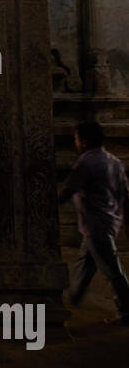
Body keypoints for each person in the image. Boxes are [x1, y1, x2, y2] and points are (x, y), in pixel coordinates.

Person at [58, 121, 129, 325]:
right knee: (86, 261)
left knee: (112, 270)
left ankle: (127, 310)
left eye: (76, 139)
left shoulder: (86, 162)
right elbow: (125, 193)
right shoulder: (114, 161)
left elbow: (66, 192)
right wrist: (126, 221)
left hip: (95, 225)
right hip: (106, 222)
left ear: (84, 141)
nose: (75, 143)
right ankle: (75, 295)